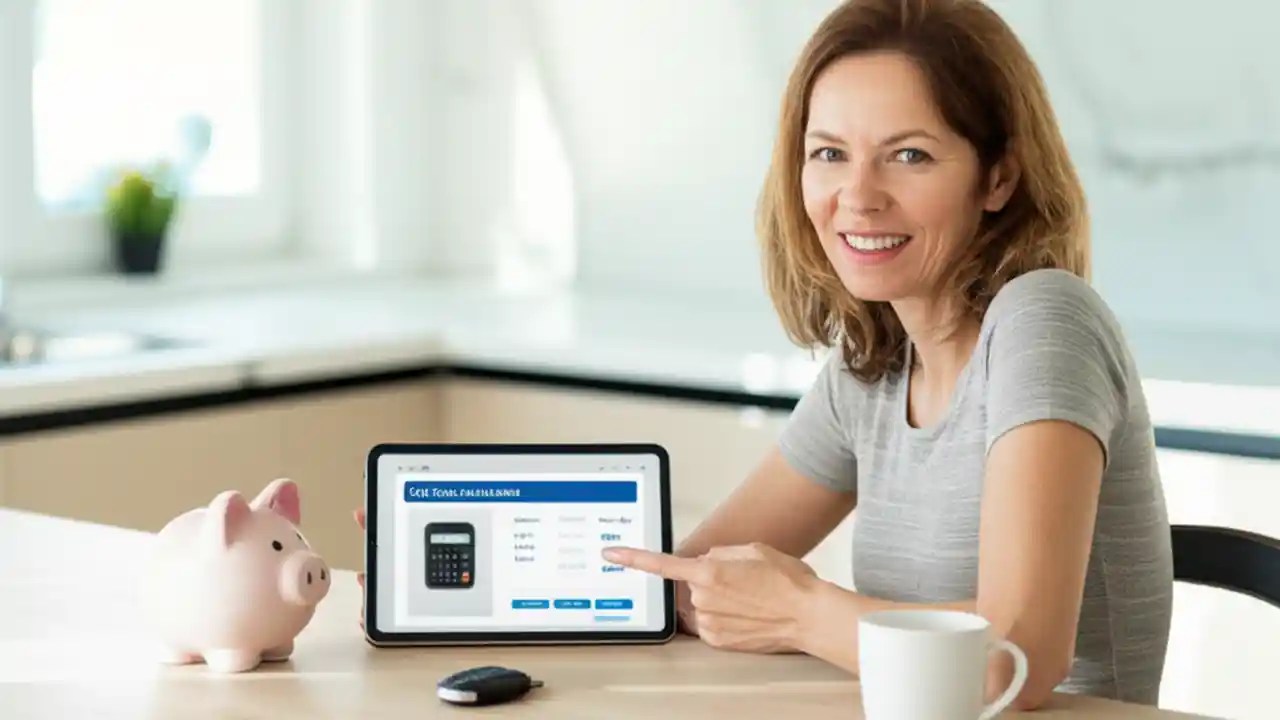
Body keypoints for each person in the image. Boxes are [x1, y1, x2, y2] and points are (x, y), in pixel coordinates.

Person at [357, 0, 1173, 711]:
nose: (858, 195)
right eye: (829, 153)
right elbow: (683, 584)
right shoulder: (873, 371)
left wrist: (802, 611)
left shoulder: (1045, 320)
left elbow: (1015, 658)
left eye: (910, 154)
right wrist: (450, 577)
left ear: (998, 177)